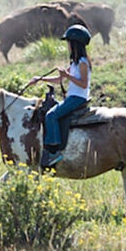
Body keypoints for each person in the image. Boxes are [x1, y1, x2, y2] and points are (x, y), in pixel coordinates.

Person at [27, 24, 92, 168]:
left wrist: (67, 75)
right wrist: (40, 79)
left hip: (78, 98)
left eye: (69, 42)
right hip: (72, 97)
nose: (67, 46)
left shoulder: (83, 63)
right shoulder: (74, 62)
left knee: (51, 115)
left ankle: (54, 151)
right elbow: (59, 80)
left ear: (75, 44)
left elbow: (83, 84)